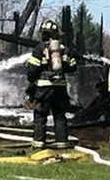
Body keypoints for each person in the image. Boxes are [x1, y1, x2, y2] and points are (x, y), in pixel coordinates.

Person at [25, 19, 79, 149]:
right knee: (60, 115)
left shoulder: (39, 48)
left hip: (43, 88)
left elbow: (32, 70)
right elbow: (72, 67)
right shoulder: (63, 49)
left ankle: (38, 143)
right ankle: (62, 142)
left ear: (43, 33)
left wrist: (31, 83)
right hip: (60, 88)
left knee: (40, 115)